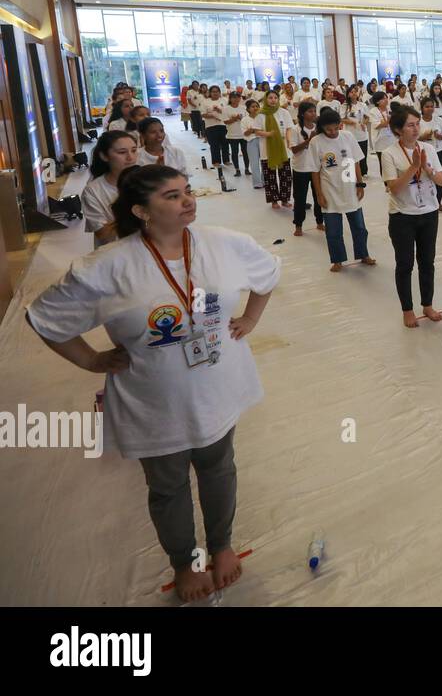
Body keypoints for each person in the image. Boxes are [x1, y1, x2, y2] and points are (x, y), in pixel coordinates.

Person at [26, 164, 280, 602]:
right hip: (154, 398)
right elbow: (45, 317)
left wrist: (251, 318)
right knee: (168, 487)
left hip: (216, 387)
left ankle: (220, 546)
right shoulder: (108, 267)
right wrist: (90, 359)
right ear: (141, 211)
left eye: (187, 191)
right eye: (172, 196)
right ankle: (185, 561)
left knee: (219, 469)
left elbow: (269, 272)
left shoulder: (223, 244)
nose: (188, 201)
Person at [381, 103, 442, 326]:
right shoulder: (389, 154)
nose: (416, 129)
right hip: (402, 215)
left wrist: (427, 168)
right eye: (410, 125)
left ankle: (427, 304)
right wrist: (413, 167)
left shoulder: (428, 149)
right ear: (398, 130)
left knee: (427, 262)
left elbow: (441, 181)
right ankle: (407, 309)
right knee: (405, 263)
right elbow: (394, 188)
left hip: (429, 212)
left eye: (417, 124)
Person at [310, 107, 375, 273]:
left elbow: (356, 162)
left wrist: (360, 184)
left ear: (340, 124)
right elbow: (315, 171)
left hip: (349, 184)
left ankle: (363, 254)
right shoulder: (316, 142)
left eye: (335, 128)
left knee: (359, 227)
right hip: (329, 188)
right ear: (322, 128)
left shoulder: (347, 136)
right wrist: (319, 194)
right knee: (333, 230)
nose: (332, 132)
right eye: (328, 129)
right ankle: (338, 259)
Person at [83, 130, 139, 248]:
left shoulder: (147, 179)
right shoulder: (93, 190)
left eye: (134, 150)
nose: (130, 157)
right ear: (104, 156)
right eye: (122, 152)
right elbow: (103, 235)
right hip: (116, 253)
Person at [288, 102, 324, 237]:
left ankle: (320, 222)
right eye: (310, 111)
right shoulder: (295, 129)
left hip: (316, 168)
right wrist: (309, 140)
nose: (313, 114)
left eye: (315, 111)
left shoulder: (319, 128)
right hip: (301, 169)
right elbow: (294, 150)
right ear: (303, 114)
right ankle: (298, 225)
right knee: (300, 199)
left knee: (319, 196)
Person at [417, 96, 442, 213]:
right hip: (423, 153)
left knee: (440, 177)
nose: (430, 109)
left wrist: (439, 136)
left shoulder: (439, 120)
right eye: (427, 107)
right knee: (424, 178)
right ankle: (426, 201)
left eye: (432, 106)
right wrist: (423, 137)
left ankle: (438, 201)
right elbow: (414, 138)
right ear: (422, 108)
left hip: (439, 151)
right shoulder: (418, 121)